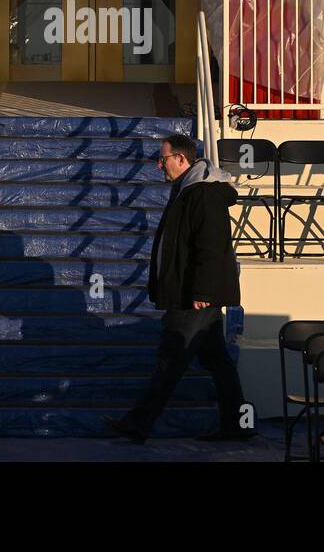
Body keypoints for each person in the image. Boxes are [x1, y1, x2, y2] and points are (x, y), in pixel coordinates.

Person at [103, 133, 252, 444]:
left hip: (193, 296)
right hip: (192, 293)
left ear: (182, 159)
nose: (160, 165)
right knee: (217, 361)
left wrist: (203, 293)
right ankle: (238, 426)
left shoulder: (202, 194)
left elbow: (211, 247)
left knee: (171, 359)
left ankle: (138, 423)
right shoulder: (187, 190)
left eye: (164, 158)